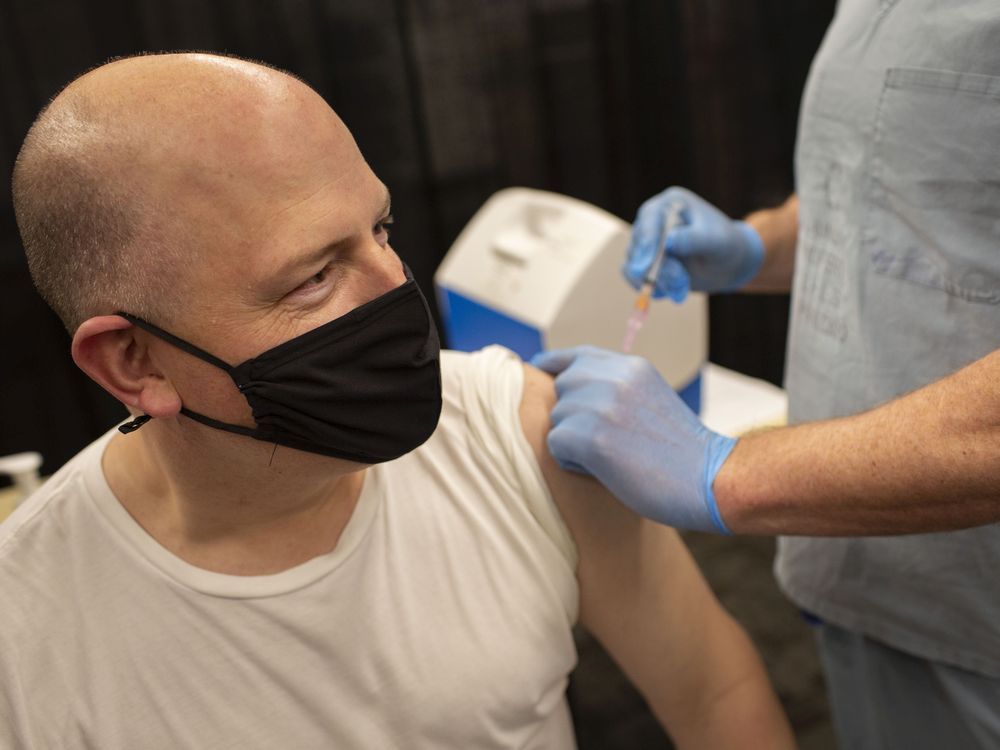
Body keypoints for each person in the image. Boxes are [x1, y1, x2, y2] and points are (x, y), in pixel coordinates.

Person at [0, 53, 794, 749]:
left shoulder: (516, 430)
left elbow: (714, 694)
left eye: (380, 230)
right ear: (135, 361)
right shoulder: (26, 632)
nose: (396, 289)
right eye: (313, 278)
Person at [533, 2, 1000, 747]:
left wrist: (727, 472)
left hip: (973, 619)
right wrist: (758, 244)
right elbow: (910, 204)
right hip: (868, 577)